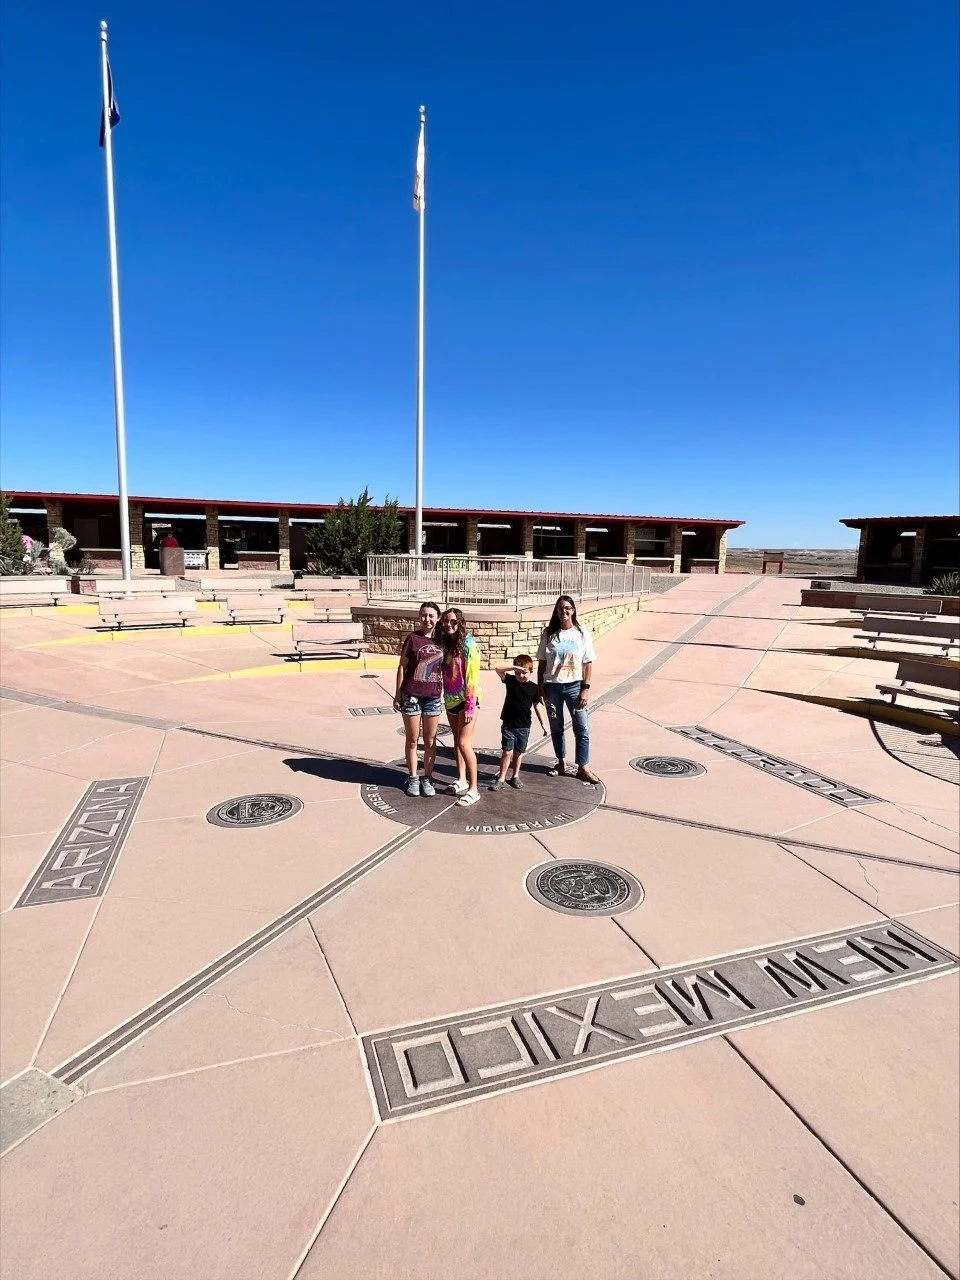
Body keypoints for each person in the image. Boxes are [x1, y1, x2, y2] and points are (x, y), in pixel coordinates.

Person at [537, 594, 601, 784]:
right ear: (556, 611)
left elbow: (588, 663)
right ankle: (561, 762)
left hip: (575, 687)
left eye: (567, 608)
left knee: (581, 727)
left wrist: (585, 689)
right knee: (556, 728)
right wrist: (541, 687)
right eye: (560, 608)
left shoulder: (581, 633)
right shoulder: (548, 634)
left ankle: (582, 767)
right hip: (552, 687)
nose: (564, 611)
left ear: (573, 610)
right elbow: (541, 662)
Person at [392, 601, 443, 797]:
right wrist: (398, 693)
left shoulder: (442, 641)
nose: (427, 619)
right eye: (423, 615)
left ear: (437, 618)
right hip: (411, 695)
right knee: (413, 739)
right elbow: (402, 667)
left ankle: (427, 778)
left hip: (432, 697)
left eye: (431, 615)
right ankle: (413, 778)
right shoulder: (412, 639)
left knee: (430, 741)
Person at [438, 607, 482, 807]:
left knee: (465, 744)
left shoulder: (468, 645)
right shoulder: (447, 643)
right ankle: (462, 779)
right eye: (445, 621)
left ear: (460, 623)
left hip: (466, 700)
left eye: (453, 622)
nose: (448, 624)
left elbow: (472, 676)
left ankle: (474, 789)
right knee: (456, 742)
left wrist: (470, 706)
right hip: (451, 700)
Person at [488, 654, 548, 790]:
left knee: (518, 752)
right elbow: (498, 669)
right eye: (518, 673)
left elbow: (537, 705)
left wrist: (543, 723)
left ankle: (515, 776)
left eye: (524, 673)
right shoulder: (510, 681)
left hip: (524, 725)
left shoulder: (534, 688)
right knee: (507, 751)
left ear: (531, 672)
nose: (521, 676)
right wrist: (515, 667)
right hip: (508, 723)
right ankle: (501, 778)